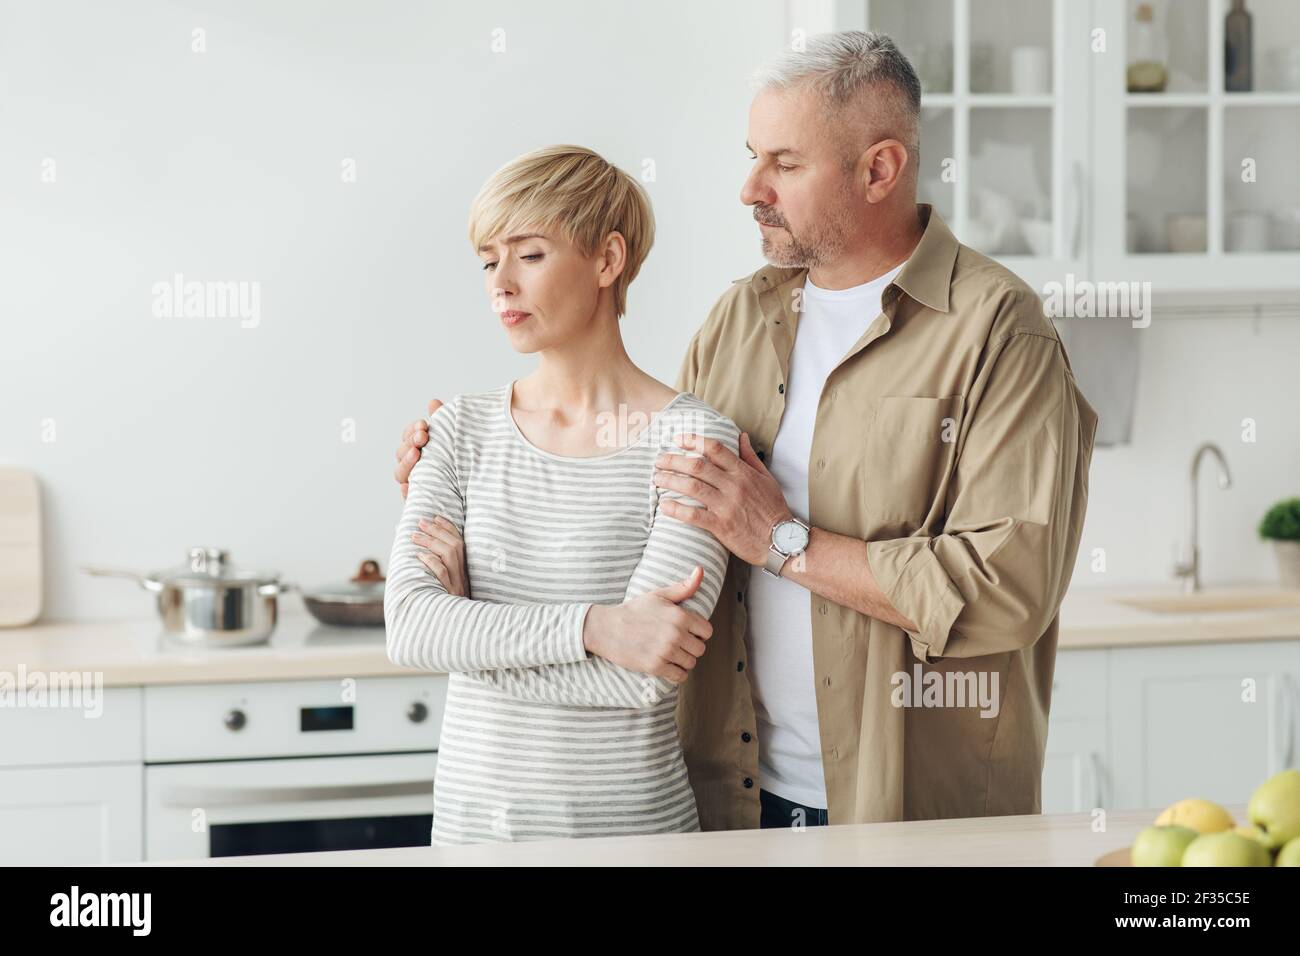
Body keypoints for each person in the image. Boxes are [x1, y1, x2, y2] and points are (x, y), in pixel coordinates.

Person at [395, 32, 1098, 834]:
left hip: (901, 806)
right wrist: (472, 486)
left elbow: (1007, 591)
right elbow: (642, 521)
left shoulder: (1000, 332)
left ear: (878, 170)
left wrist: (782, 539)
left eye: (784, 164)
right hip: (727, 792)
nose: (749, 188)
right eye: (751, 155)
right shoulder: (740, 317)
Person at [384, 144, 740, 845]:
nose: (501, 284)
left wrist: (471, 632)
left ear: (608, 260)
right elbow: (410, 628)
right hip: (473, 839)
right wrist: (597, 629)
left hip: (635, 840)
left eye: (531, 255)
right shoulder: (457, 430)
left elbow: (641, 681)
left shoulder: (693, 442)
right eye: (490, 260)